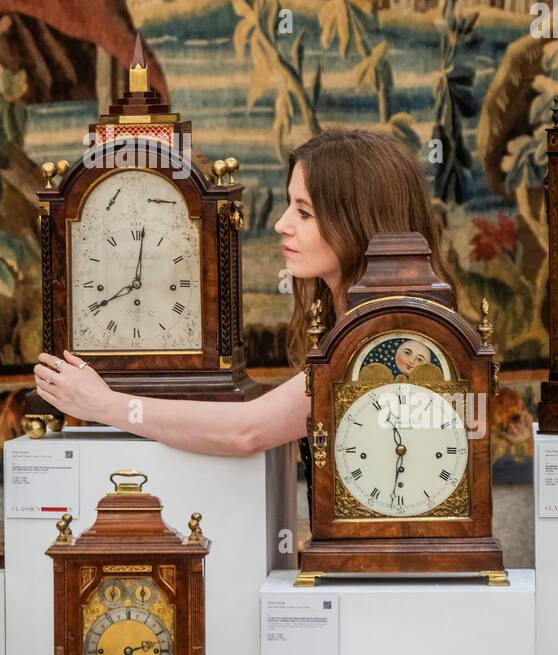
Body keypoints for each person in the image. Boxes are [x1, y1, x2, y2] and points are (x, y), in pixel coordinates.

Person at [33, 127, 458, 459]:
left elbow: (246, 431)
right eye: (290, 205)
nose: (282, 224)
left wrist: (104, 404)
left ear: (358, 221)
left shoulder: (386, 331)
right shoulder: (365, 319)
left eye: (304, 212)